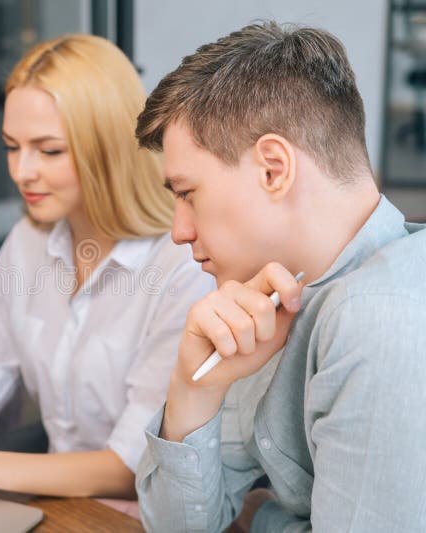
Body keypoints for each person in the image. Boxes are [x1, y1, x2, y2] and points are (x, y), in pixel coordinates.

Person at [134, 22, 426, 532]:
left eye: (187, 193)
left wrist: (259, 519)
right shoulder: (275, 293)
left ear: (273, 168)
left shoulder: (381, 315)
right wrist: (192, 389)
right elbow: (176, 526)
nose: (179, 231)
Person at [0, 34, 214, 499]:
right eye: (11, 146)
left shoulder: (182, 264)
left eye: (48, 151)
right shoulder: (28, 241)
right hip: (58, 495)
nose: (22, 172)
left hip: (142, 512)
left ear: (106, 148)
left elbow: (130, 466)